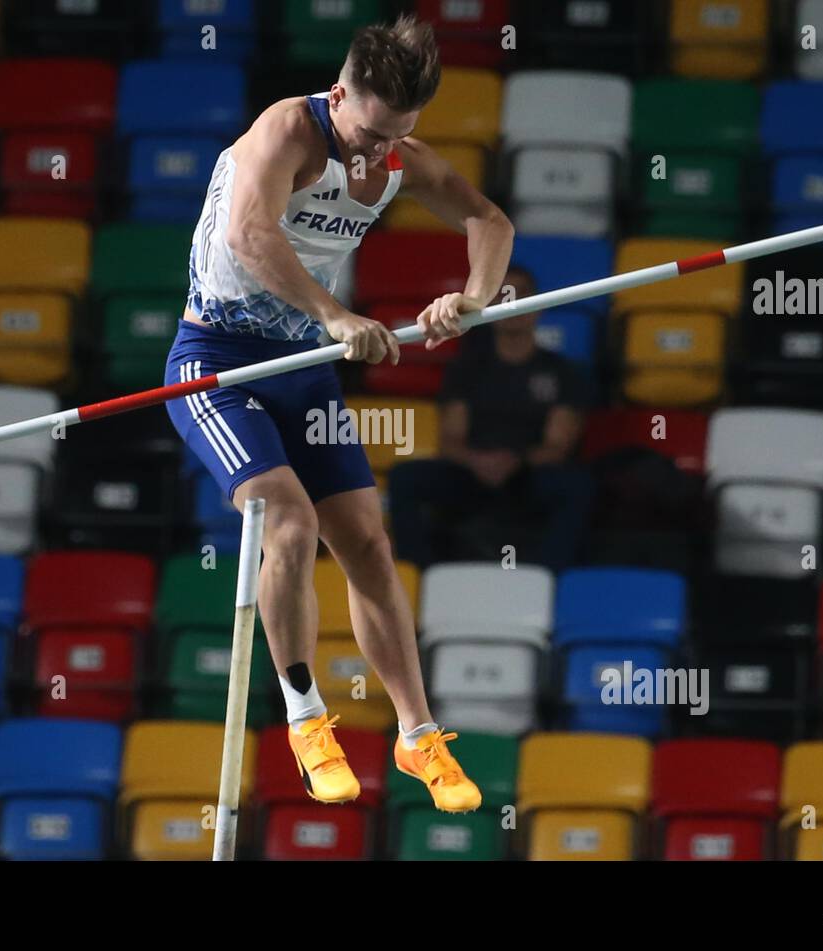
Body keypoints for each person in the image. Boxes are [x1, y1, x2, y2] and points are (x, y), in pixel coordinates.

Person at [164, 15, 515, 812]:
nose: (371, 154)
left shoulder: (397, 157)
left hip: (303, 371)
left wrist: (472, 297)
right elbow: (250, 232)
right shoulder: (287, 129)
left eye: (393, 138)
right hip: (216, 364)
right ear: (337, 95)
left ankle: (417, 732)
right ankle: (305, 716)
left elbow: (490, 223)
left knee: (366, 540)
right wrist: (331, 313)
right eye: (365, 132)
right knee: (286, 524)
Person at [388, 267, 594, 572]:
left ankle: (550, 578)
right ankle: (417, 577)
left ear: (539, 305)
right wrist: (478, 461)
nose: (513, 303)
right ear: (488, 307)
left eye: (522, 294)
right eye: (503, 294)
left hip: (528, 475)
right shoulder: (467, 369)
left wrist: (515, 460)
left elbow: (557, 445)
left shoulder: (563, 372)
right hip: (471, 474)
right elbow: (450, 440)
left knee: (577, 485)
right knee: (405, 477)